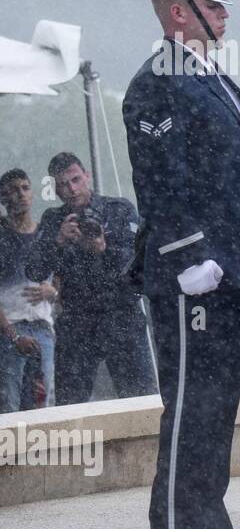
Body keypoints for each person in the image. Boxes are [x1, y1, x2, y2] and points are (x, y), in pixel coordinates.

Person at [123, 0, 240, 529]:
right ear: (179, 10)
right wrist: (190, 253)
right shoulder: (157, 81)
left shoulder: (211, 78)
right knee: (192, 403)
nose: (224, 14)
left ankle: (209, 525)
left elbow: (236, 181)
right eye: (213, 6)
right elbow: (160, 180)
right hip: (190, 276)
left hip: (230, 270)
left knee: (220, 403)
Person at [26, 153, 155, 405]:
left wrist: (103, 249)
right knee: (70, 406)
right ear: (55, 188)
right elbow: (33, 270)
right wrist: (58, 242)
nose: (72, 189)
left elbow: (140, 264)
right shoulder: (54, 220)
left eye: (75, 180)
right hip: (77, 319)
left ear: (87, 176)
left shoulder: (118, 210)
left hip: (121, 315)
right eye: (63, 184)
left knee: (142, 402)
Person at [0, 169, 56, 412]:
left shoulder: (46, 233)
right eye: (13, 190)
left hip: (43, 327)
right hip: (9, 329)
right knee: (9, 406)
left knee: (46, 404)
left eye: (25, 187)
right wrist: (12, 335)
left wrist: (52, 292)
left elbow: (59, 279)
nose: (21, 194)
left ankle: (45, 451)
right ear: (3, 199)